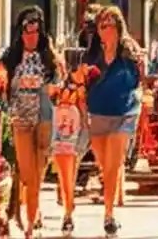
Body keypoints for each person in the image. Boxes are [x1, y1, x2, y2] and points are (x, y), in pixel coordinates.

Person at [0, 7, 60, 239]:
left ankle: (31, 223)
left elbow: (60, 83)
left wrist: (54, 88)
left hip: (43, 119)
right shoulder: (10, 57)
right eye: (27, 31)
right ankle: (25, 216)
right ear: (20, 32)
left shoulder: (50, 57)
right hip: (20, 120)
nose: (31, 36)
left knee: (38, 175)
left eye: (35, 32)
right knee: (27, 173)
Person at [82, 5, 143, 238]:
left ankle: (109, 215)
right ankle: (109, 206)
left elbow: (139, 79)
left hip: (124, 113)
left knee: (113, 164)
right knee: (104, 164)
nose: (104, 30)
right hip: (98, 113)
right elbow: (82, 80)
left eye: (109, 25)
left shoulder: (129, 52)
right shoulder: (93, 55)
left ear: (118, 27)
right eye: (101, 26)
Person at [49, 72, 90, 236]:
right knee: (66, 177)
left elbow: (86, 116)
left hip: (73, 135)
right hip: (61, 133)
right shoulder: (58, 86)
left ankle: (68, 212)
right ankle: (67, 212)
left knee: (68, 177)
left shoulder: (81, 89)